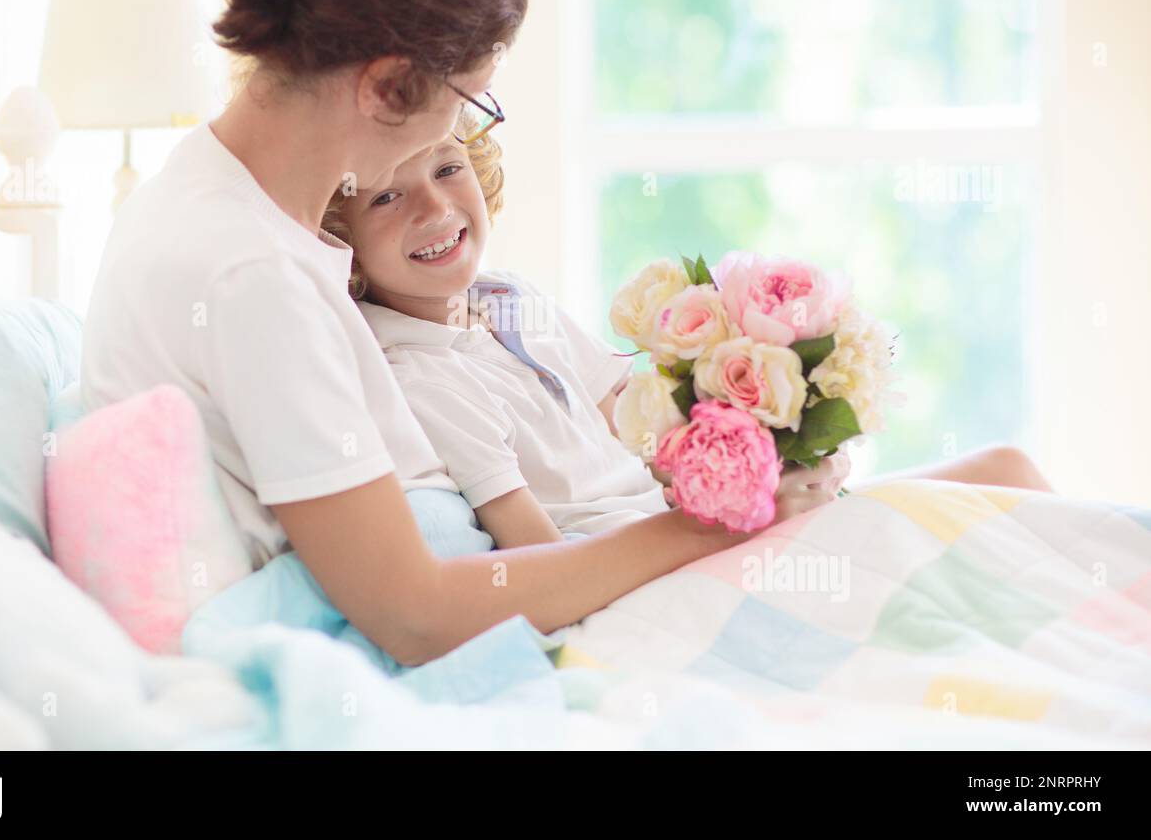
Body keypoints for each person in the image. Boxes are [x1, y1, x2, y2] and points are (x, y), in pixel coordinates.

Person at [81, 0, 846, 668]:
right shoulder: (252, 276)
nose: (463, 128)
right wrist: (715, 521)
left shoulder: (211, 197)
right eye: (467, 98)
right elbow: (416, 615)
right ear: (386, 87)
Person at [323, 121, 1052, 550]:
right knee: (982, 507)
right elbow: (537, 554)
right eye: (386, 195)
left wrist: (775, 470)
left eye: (449, 167)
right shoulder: (417, 375)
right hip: (664, 563)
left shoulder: (512, 298)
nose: (434, 206)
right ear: (341, 237)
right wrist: (726, 531)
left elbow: (646, 431)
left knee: (1007, 468)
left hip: (699, 523)